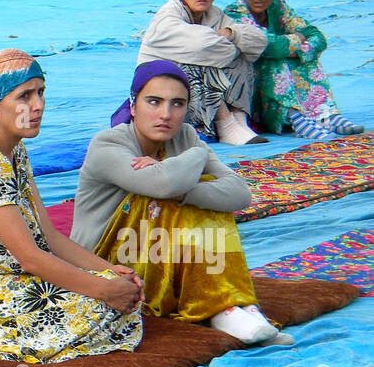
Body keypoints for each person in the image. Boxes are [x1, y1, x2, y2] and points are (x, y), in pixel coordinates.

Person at [0, 50, 144, 364]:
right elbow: (31, 258)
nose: (37, 105)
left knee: (120, 293)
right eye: (24, 96)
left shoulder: (14, 148)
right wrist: (105, 290)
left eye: (40, 93)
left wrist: (106, 272)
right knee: (107, 305)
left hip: (11, 277)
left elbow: (48, 236)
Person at [71, 61, 290, 346]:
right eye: (154, 102)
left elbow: (239, 193)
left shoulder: (185, 136)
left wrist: (184, 180)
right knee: (163, 200)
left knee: (202, 192)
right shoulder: (108, 144)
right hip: (106, 265)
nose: (165, 114)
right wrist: (196, 156)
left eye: (177, 104)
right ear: (133, 105)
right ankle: (220, 309)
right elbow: (164, 185)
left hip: (157, 253)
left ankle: (239, 307)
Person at [224, 0, 364, 140]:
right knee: (273, 61)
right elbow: (267, 46)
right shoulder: (236, 13)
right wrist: (296, 40)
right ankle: (296, 118)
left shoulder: (277, 6)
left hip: (276, 89)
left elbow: (316, 36)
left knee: (307, 59)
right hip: (249, 94)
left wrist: (297, 50)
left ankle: (326, 116)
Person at [138, 0, 268, 145]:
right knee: (200, 59)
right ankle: (226, 125)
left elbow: (258, 40)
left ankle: (239, 121)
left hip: (193, 98)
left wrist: (230, 33)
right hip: (161, 96)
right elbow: (201, 46)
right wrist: (227, 43)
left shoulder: (214, 15)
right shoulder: (168, 16)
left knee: (242, 49)